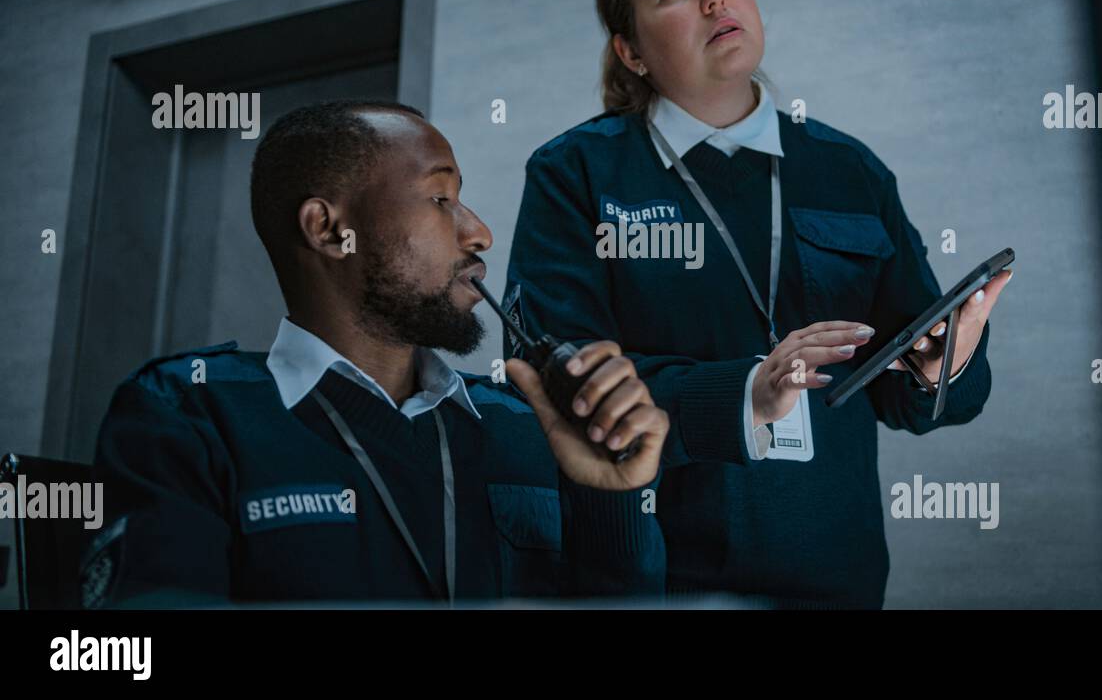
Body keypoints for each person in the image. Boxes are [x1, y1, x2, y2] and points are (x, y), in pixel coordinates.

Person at [503, 0, 1013, 608]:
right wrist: (747, 392)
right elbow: (561, 382)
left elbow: (915, 397)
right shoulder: (576, 174)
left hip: (840, 582)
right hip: (658, 584)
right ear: (631, 53)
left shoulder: (850, 169)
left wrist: (941, 362)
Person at [79, 100, 669, 608]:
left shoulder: (527, 421)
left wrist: (612, 496)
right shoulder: (188, 412)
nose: (480, 232)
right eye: (440, 198)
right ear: (330, 229)